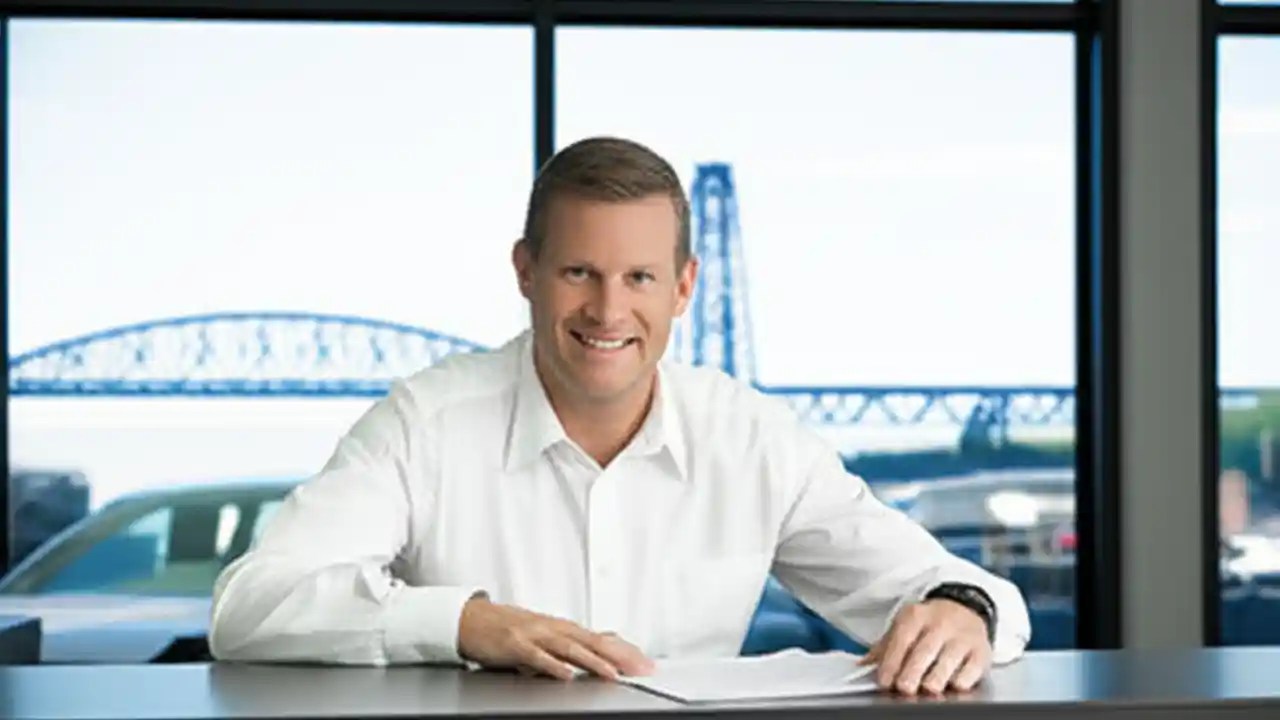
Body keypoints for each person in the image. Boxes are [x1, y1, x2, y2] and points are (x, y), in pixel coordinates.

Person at [209, 136, 1031, 696]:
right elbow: (251, 607)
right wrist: (465, 621)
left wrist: (962, 612)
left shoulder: (751, 439)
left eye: (639, 277)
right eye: (578, 271)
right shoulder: (426, 421)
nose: (608, 310)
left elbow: (969, 593)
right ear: (525, 272)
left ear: (683, 287)